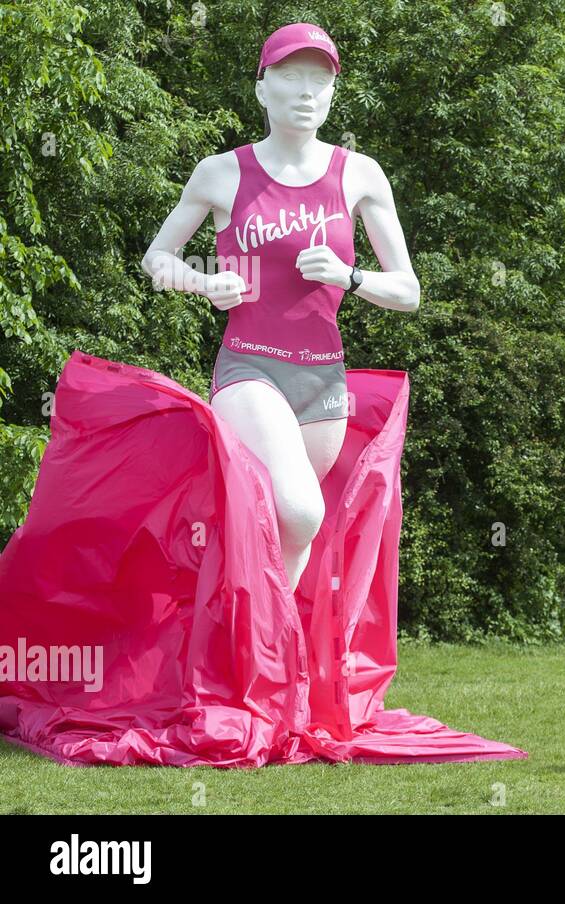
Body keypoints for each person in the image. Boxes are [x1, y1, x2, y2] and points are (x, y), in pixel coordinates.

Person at [140, 22, 421, 593]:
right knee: (301, 511)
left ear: (333, 93)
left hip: (324, 381)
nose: (305, 92)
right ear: (262, 88)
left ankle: (257, 661)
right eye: (290, 77)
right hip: (248, 364)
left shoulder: (359, 174)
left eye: (319, 80)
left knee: (276, 530)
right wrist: (200, 283)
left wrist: (350, 275)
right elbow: (157, 258)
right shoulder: (222, 172)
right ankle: (247, 651)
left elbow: (409, 292)